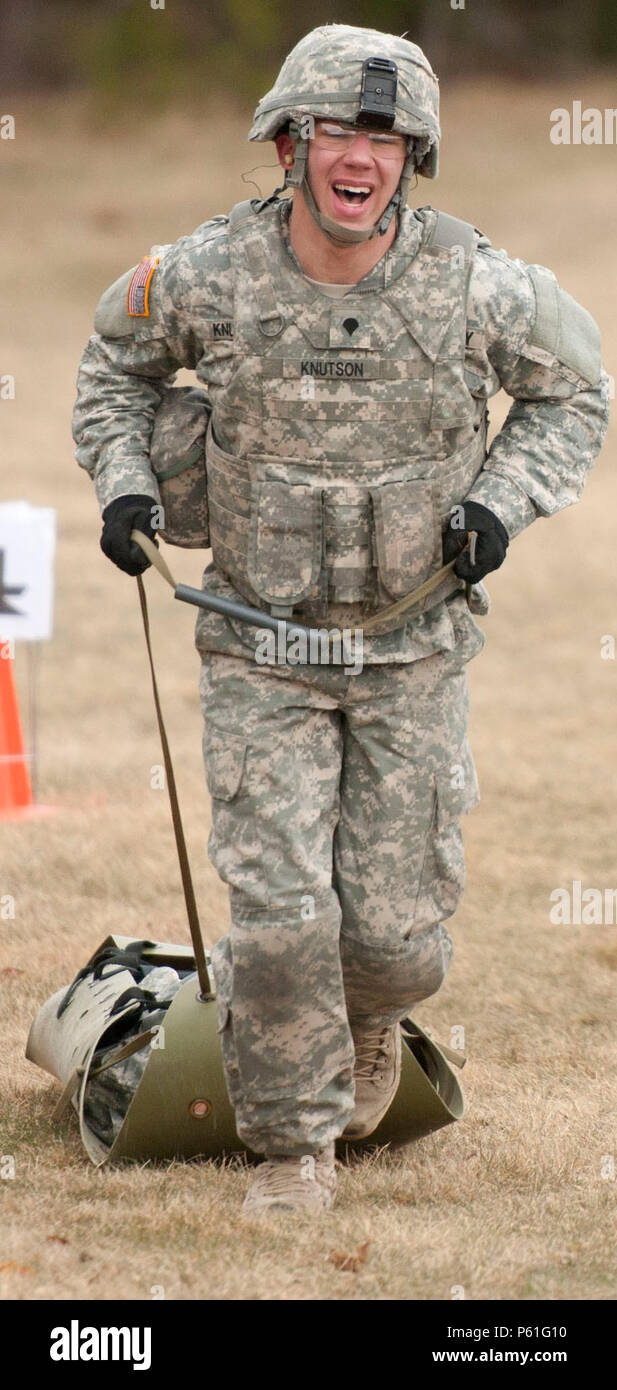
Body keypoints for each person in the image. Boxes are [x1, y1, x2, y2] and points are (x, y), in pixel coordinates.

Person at [72, 24, 609, 1217]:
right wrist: (125, 486)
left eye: (385, 136)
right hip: (258, 640)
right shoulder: (207, 273)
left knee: (395, 936)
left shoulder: (475, 282)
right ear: (289, 143)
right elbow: (111, 369)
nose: (358, 156)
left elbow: (578, 390)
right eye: (335, 132)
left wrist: (497, 502)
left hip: (408, 648)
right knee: (276, 913)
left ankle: (371, 1018)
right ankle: (291, 1147)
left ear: (411, 156)